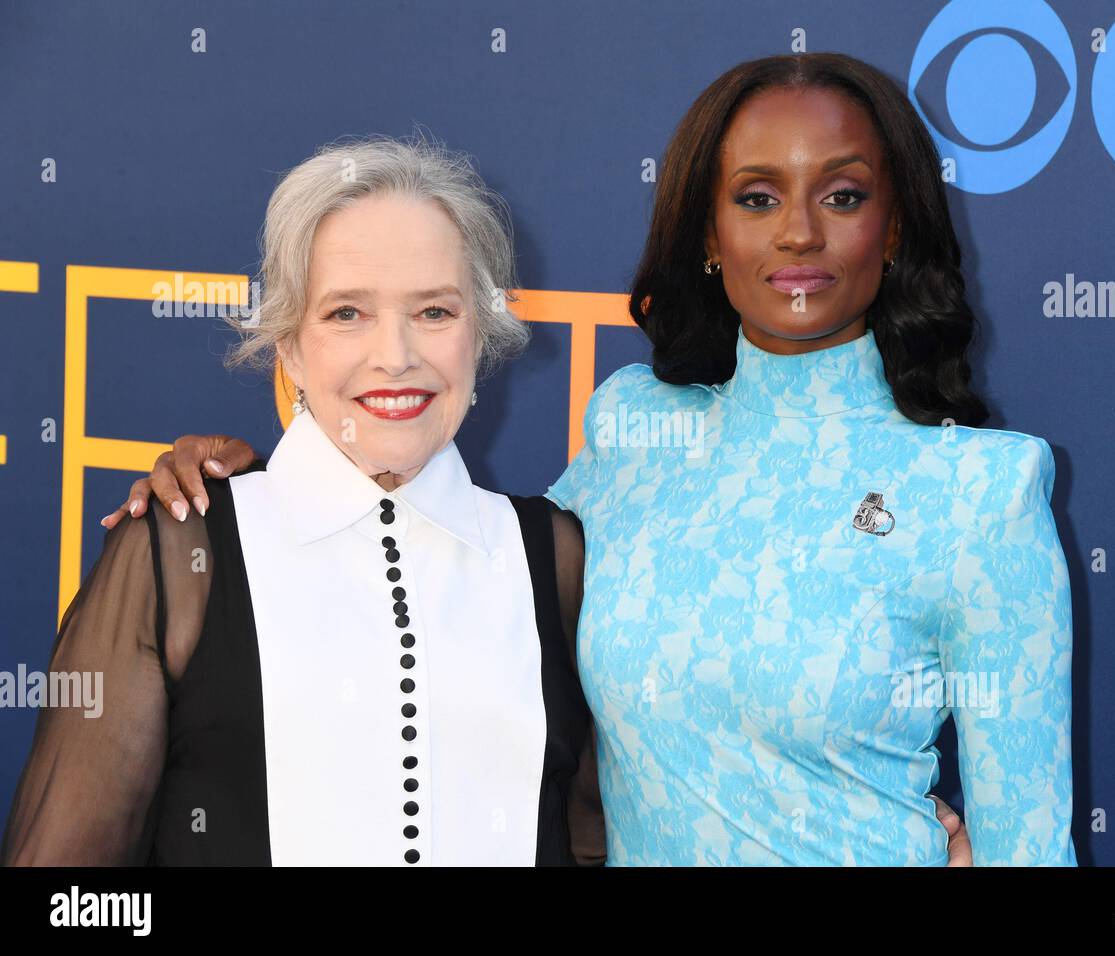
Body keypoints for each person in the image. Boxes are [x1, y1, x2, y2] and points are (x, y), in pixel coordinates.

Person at [102, 53, 1065, 866]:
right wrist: (240, 482)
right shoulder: (633, 430)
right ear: (707, 232)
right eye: (758, 197)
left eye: (844, 195)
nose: (800, 232)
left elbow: (1032, 845)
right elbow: (455, 574)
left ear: (895, 227)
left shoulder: (985, 490)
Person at [2, 135, 605, 866]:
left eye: (435, 312)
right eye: (347, 312)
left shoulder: (559, 556)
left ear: (480, 335)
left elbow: (590, 842)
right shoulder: (181, 553)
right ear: (288, 342)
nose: (396, 355)